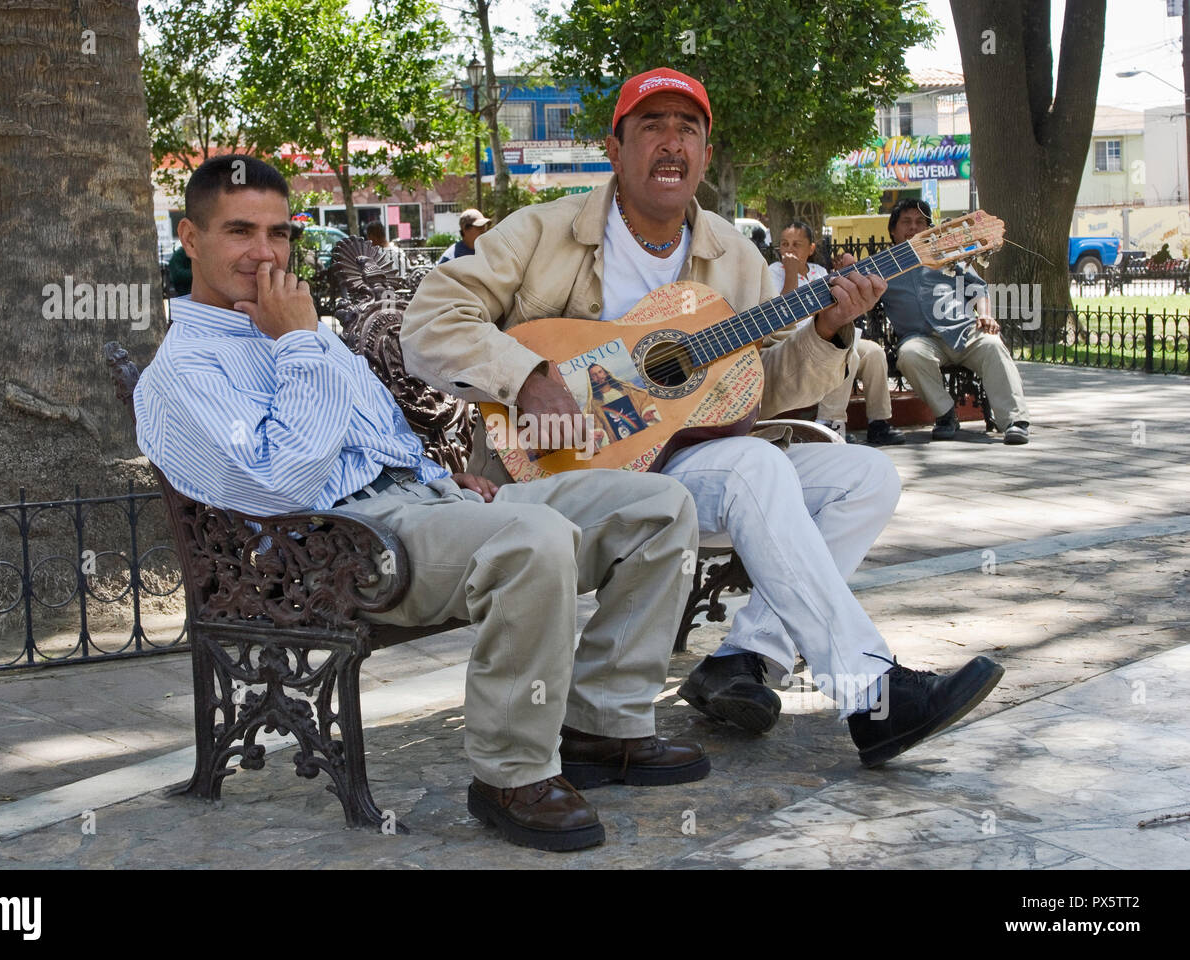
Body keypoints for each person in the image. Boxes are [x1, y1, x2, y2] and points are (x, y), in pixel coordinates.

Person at [403, 68, 1004, 769]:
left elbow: (764, 386)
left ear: (706, 155)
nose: (671, 143)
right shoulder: (542, 232)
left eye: (687, 129)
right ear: (614, 147)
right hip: (565, 470)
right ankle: (872, 691)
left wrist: (831, 332)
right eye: (652, 125)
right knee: (753, 466)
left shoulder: (732, 253)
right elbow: (430, 320)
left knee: (865, 475)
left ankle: (745, 658)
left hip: (685, 466)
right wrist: (528, 375)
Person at [134, 154, 708, 852]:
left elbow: (382, 430)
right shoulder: (185, 370)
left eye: (280, 234)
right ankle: (511, 772)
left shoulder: (306, 331)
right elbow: (281, 484)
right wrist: (296, 345)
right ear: (190, 240)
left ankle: (603, 726)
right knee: (533, 539)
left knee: (657, 506)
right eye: (239, 233)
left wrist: (442, 479)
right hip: (334, 548)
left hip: (422, 508)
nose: (265, 253)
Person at [877, 199, 1031, 445]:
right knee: (909, 354)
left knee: (993, 345)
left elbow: (979, 289)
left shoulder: (948, 256)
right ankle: (946, 415)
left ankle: (1015, 421)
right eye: (906, 222)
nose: (913, 228)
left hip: (964, 331)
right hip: (921, 339)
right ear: (893, 230)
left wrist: (985, 315)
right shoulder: (881, 268)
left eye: (920, 222)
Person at [768, 221, 904, 446]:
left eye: (796, 244)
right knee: (847, 355)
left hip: (827, 333)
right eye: (784, 244)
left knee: (874, 353)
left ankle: (879, 423)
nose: (789, 250)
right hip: (795, 342)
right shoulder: (774, 271)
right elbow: (782, 313)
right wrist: (791, 273)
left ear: (811, 249)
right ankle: (829, 423)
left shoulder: (819, 272)